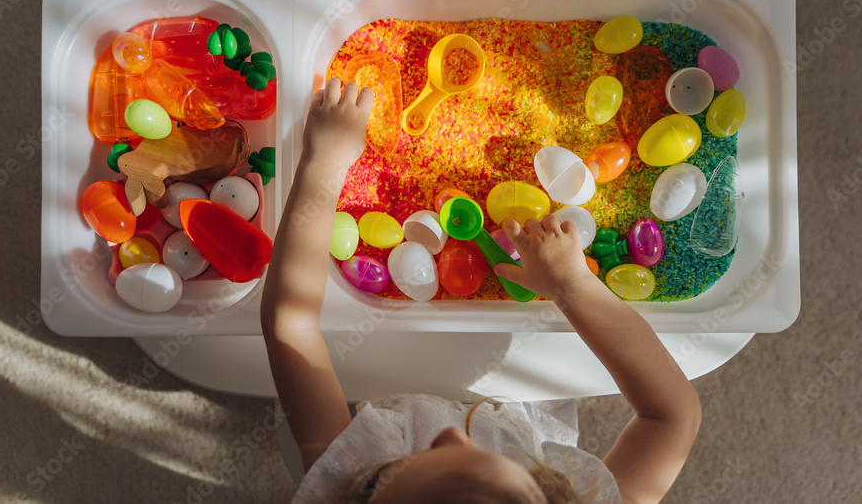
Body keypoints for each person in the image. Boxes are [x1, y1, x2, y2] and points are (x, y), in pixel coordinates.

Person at [261, 78, 702, 503]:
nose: (452, 434)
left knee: (295, 430)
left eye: (386, 478)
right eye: (474, 454)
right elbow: (673, 417)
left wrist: (324, 163)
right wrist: (572, 285)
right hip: (523, 399)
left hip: (385, 392)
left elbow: (290, 323)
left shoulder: (344, 478)